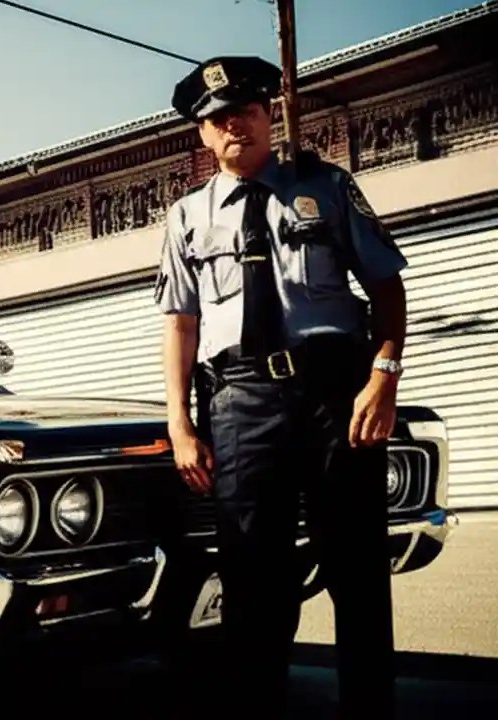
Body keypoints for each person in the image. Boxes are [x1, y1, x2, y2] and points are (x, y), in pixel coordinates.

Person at [154, 56, 408, 718]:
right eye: (216, 118)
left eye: (245, 109)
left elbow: (386, 284)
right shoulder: (185, 218)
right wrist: (180, 424)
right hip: (240, 403)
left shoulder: (324, 187)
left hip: (335, 397)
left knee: (355, 572)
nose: (232, 123)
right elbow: (181, 325)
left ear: (269, 114)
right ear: (202, 136)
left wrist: (383, 376)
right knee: (251, 579)